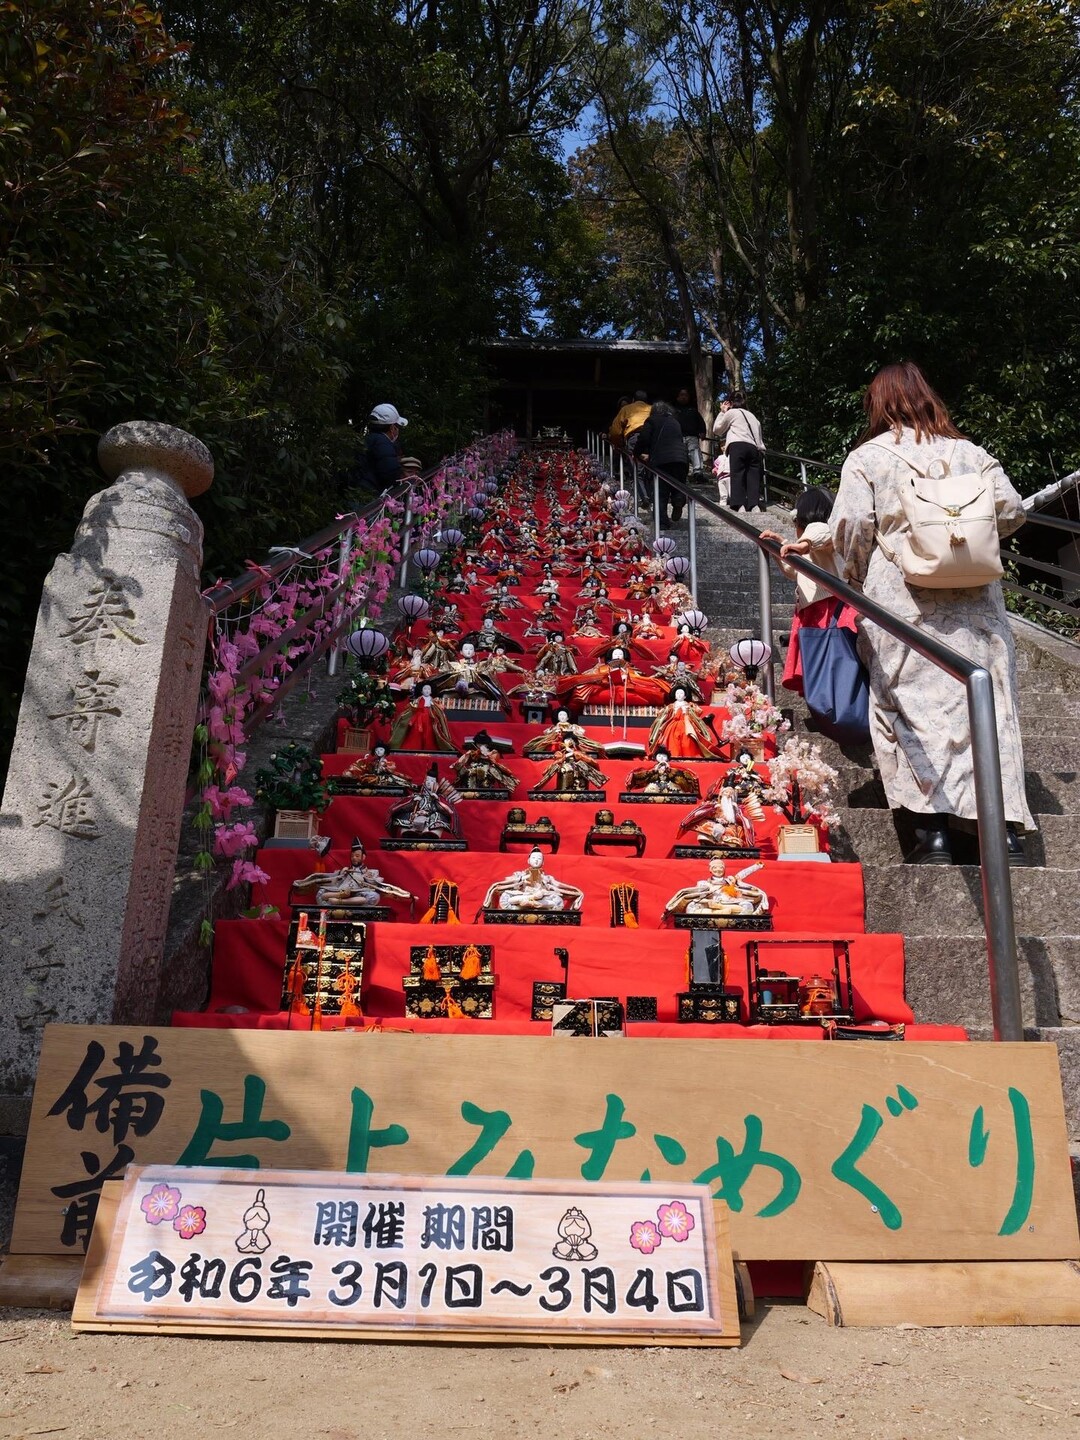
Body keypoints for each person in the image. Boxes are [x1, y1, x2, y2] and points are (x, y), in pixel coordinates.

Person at [794, 361, 1032, 865]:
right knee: (983, 708)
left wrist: (857, 580)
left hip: (901, 604)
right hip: (976, 605)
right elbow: (1011, 511)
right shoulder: (972, 453)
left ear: (878, 405)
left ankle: (932, 835)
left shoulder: (868, 457)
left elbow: (852, 528)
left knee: (908, 708)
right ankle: (996, 829)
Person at [760, 487, 855, 696]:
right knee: (821, 665)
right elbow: (792, 571)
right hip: (812, 610)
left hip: (827, 610)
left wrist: (802, 544)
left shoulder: (825, 532)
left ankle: (832, 705)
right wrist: (780, 546)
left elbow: (821, 530)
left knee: (827, 662)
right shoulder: (813, 545)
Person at [635, 400, 690, 527]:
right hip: (681, 458)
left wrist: (637, 453)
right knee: (678, 484)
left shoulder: (651, 420)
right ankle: (678, 499)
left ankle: (663, 523)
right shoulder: (675, 421)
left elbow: (644, 438)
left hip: (661, 460)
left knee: (660, 492)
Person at [712, 392, 765, 514]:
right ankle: (754, 505)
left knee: (737, 474)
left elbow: (717, 430)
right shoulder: (753, 417)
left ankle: (739, 505)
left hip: (738, 445)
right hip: (753, 448)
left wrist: (722, 412)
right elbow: (759, 438)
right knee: (753, 477)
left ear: (730, 402)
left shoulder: (732, 413)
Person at [356, 403, 408, 490]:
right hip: (370, 493)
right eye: (397, 426)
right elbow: (390, 475)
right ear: (392, 428)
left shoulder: (367, 439)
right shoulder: (384, 444)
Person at [673, 387, 708, 479]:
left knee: (695, 452)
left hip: (692, 436)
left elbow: (701, 422)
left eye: (686, 395)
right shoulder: (673, 410)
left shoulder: (693, 410)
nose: (684, 397)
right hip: (678, 437)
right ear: (677, 397)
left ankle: (698, 473)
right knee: (679, 455)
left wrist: (703, 432)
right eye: (682, 395)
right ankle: (680, 473)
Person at [608, 390, 651, 454]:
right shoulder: (652, 409)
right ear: (646, 401)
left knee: (634, 462)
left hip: (635, 438)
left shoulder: (626, 409)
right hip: (651, 438)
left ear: (633, 400)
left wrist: (619, 444)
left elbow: (615, 432)